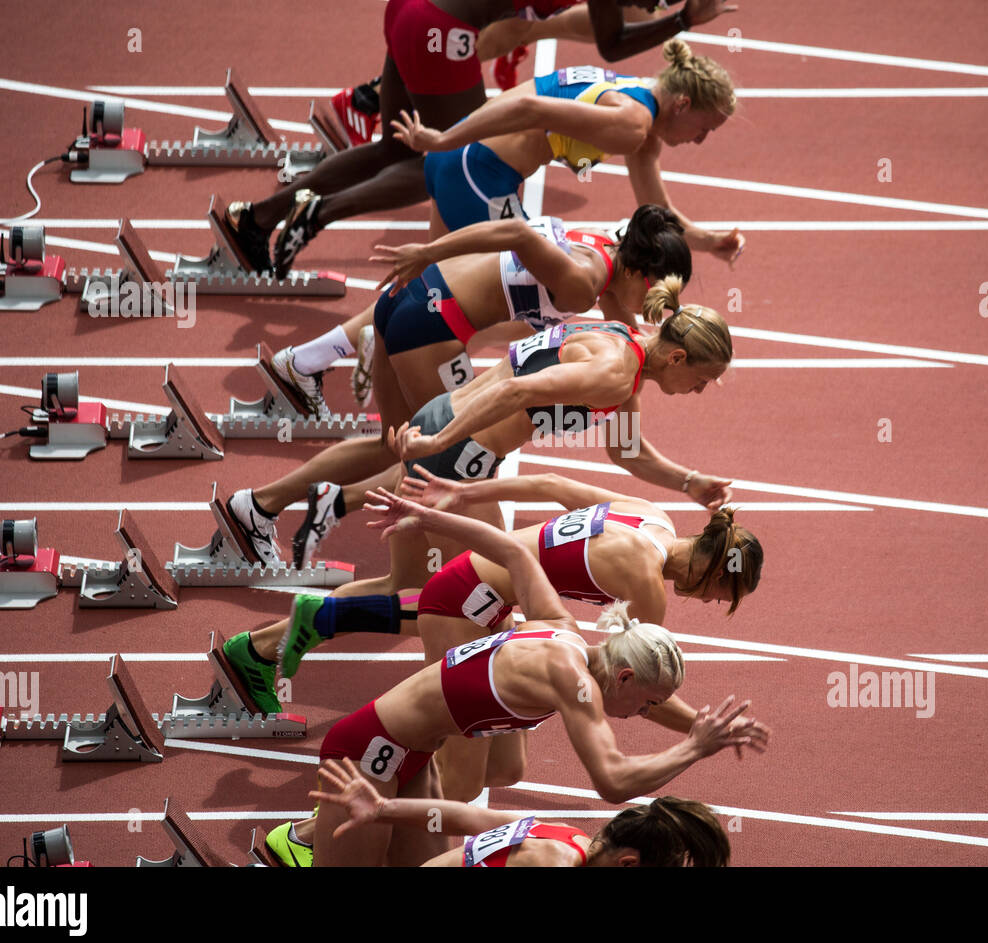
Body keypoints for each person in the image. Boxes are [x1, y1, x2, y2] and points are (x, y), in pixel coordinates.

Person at [285, 487, 765, 866]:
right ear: (621, 678)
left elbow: (515, 555)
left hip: (413, 758)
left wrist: (434, 515)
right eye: (645, 704)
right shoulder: (570, 681)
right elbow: (613, 782)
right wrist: (695, 745)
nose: (640, 714)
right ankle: (298, 840)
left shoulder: (563, 627)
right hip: (370, 750)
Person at [224, 278, 734, 575]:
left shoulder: (621, 342)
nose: (700, 392)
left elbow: (627, 453)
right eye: (703, 380)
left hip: (454, 426)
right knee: (458, 586)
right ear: (679, 356)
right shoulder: (615, 373)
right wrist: (441, 440)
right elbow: (517, 391)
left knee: (483, 580)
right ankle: (279, 640)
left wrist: (689, 483)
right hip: (458, 449)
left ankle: (296, 503)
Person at [225, 2, 740, 277]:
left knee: (398, 151)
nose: (645, 7)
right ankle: (317, 212)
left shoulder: (638, 111)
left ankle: (257, 218)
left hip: (413, 10)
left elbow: (655, 203)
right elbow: (600, 47)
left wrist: (709, 242)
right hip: (443, 28)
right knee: (438, 162)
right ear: (682, 104)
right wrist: (445, 135)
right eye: (706, 130)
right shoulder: (630, 118)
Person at [267, 203, 690, 420]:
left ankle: (286, 497)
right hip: (433, 326)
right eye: (658, 293)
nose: (657, 308)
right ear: (637, 270)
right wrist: (427, 249)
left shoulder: (601, 248)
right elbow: (515, 231)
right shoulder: (583, 286)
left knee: (398, 444)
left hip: (412, 299)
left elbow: (626, 323)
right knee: (454, 448)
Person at [310, 756, 731, 866]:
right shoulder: (552, 860)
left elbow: (468, 818)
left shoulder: (566, 835)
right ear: (627, 863)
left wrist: (384, 807)